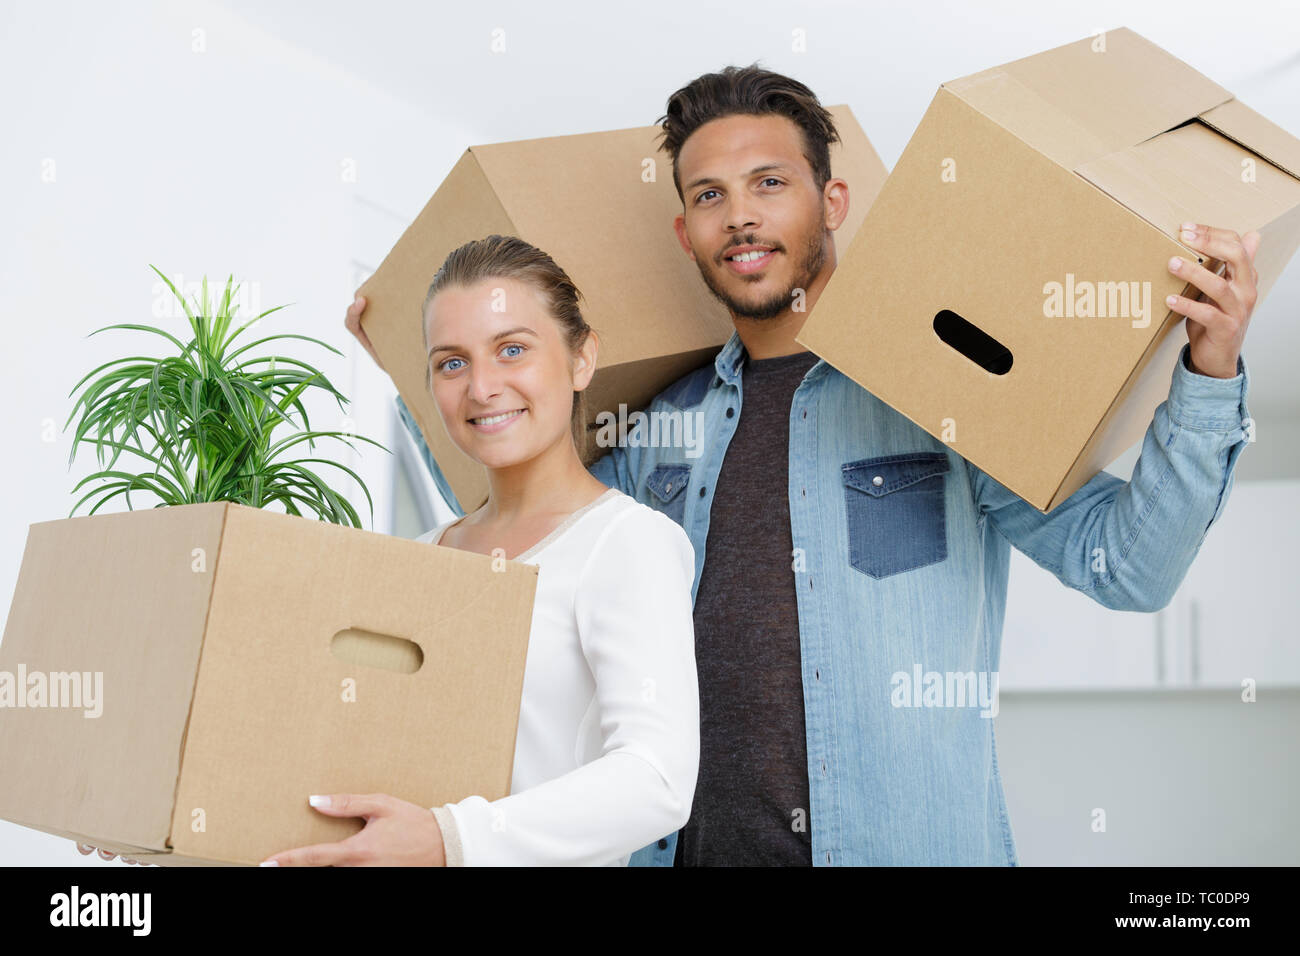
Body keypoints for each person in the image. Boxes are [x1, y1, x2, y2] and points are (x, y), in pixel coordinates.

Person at [357, 66, 1261, 866]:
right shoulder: (656, 430)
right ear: (685, 232)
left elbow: (1129, 568)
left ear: (832, 203)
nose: (740, 214)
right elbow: (523, 533)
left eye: (770, 183)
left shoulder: (941, 401)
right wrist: (407, 360)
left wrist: (1209, 371)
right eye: (709, 195)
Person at [84, 235, 700, 868]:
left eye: (512, 349)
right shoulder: (417, 559)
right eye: (451, 362)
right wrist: (170, 813)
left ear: (581, 357)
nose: (482, 386)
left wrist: (447, 840)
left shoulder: (628, 543)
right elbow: (337, 783)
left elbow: (655, 778)